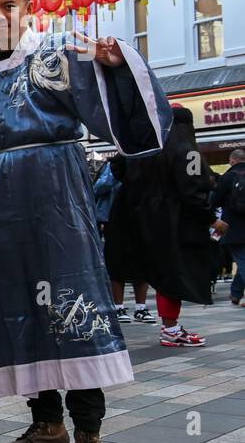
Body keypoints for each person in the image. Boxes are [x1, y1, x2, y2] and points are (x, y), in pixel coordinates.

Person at [0, 0, 170, 443]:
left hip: (57, 192)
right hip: (4, 198)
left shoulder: (58, 55)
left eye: (8, 5)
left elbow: (118, 122)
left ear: (27, 6)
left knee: (74, 303)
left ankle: (89, 436)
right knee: (20, 307)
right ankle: (46, 422)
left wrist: (116, 64)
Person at [104, 106, 221, 346]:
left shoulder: (141, 147)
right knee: (174, 274)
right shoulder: (187, 152)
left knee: (158, 273)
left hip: (140, 221)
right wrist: (212, 219)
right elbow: (193, 191)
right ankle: (170, 328)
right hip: (176, 224)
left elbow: (118, 167)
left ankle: (169, 326)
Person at [94, 160, 154, 324]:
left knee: (141, 264)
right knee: (117, 264)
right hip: (114, 218)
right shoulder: (114, 165)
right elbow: (99, 188)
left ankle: (140, 307)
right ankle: (118, 306)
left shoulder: (145, 163)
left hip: (138, 217)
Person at [211, 148, 245, 305]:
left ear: (232, 160)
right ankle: (236, 293)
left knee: (242, 260)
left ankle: (236, 293)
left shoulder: (228, 177)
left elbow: (214, 201)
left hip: (233, 228)